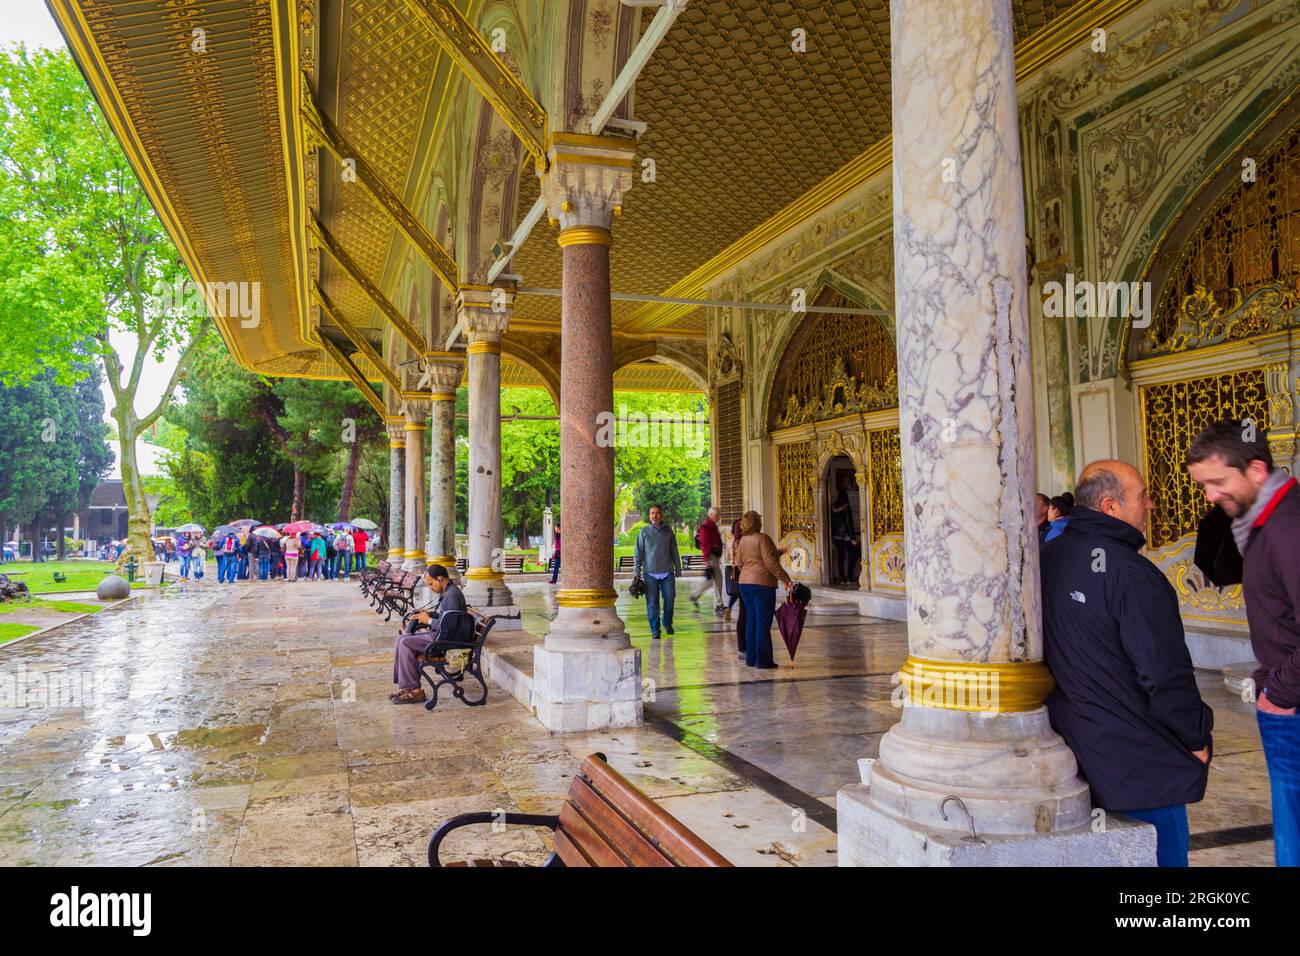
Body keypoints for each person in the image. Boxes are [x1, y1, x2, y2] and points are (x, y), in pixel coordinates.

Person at [1040, 460, 1213, 867]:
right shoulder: (1132, 574)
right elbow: (1164, 674)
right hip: (1140, 763)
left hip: (1075, 753)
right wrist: (1195, 736)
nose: (1150, 505)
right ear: (1110, 506)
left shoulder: (1047, 558)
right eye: (1142, 497)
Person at [1187, 420, 1300, 866]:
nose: (1211, 496)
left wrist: (1280, 694)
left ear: (1255, 471)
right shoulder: (1269, 521)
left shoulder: (1287, 529)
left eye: (1217, 482)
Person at [390, 564, 466, 705]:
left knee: (405, 642)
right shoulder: (448, 591)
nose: (431, 588)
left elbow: (450, 627)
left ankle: (415, 690)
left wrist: (429, 620)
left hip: (446, 643)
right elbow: (445, 617)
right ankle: (408, 687)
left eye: (431, 584)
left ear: (440, 579)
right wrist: (426, 614)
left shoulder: (452, 596)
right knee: (402, 638)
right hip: (442, 637)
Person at [731, 510, 792, 669]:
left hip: (745, 583)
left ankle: (751, 658)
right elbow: (771, 563)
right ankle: (763, 660)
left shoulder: (742, 540)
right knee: (763, 623)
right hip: (762, 584)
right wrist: (786, 579)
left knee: (751, 621)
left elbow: (740, 563)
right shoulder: (763, 538)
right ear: (758, 523)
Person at [633, 505, 682, 640]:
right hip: (650, 574)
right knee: (652, 603)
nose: (654, 516)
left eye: (657, 513)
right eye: (652, 513)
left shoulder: (668, 531)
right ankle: (655, 629)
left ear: (662, 515)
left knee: (670, 599)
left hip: (667, 573)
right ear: (649, 516)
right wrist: (637, 573)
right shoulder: (643, 532)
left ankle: (667, 622)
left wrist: (678, 570)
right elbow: (638, 554)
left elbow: (674, 551)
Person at [689, 507, 725, 611]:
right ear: (711, 515)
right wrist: (706, 560)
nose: (719, 517)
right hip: (711, 557)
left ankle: (695, 595)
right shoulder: (706, 527)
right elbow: (704, 544)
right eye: (717, 515)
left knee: (711, 581)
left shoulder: (712, 526)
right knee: (717, 579)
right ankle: (718, 604)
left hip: (713, 557)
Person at [829, 480, 859, 584]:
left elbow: (831, 522)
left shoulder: (832, 507)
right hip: (846, 536)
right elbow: (848, 523)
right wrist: (853, 538)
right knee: (852, 555)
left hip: (837, 536)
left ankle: (842, 578)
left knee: (840, 557)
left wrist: (831, 535)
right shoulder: (846, 507)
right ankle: (850, 577)